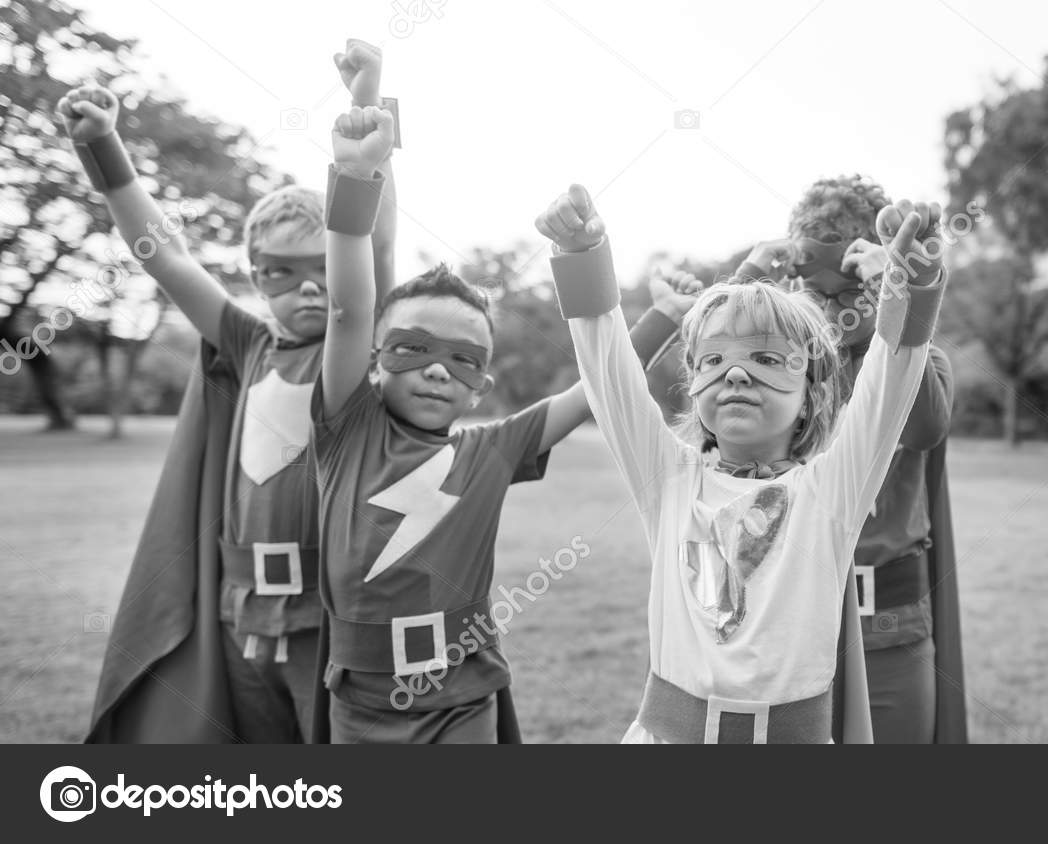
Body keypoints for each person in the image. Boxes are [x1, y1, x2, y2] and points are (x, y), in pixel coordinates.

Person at [66, 41, 400, 742]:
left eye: (320, 267)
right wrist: (105, 149)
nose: (309, 286)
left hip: (329, 615)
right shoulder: (247, 345)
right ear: (256, 276)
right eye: (280, 272)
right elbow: (168, 257)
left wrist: (364, 110)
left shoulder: (355, 350)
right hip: (240, 612)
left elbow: (370, 250)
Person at [310, 113, 677, 743]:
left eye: (461, 360)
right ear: (373, 360)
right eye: (413, 349)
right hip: (359, 703)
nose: (435, 373)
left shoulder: (490, 449)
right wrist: (353, 174)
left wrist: (662, 316)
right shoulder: (347, 428)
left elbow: (595, 387)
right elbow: (348, 307)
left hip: (463, 699)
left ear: (481, 382)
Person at [540, 182, 952, 743]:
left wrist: (907, 279)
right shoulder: (667, 481)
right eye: (714, 360)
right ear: (694, 383)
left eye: (765, 359)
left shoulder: (832, 492)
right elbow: (609, 374)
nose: (736, 374)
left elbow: (894, 376)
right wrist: (583, 254)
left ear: (811, 392)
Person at [737, 175, 966, 743]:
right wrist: (748, 286)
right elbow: (717, 404)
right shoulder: (782, 362)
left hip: (889, 622)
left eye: (843, 289)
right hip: (789, 619)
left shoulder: (919, 352)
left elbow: (924, 427)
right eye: (812, 288)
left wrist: (898, 293)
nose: (827, 304)